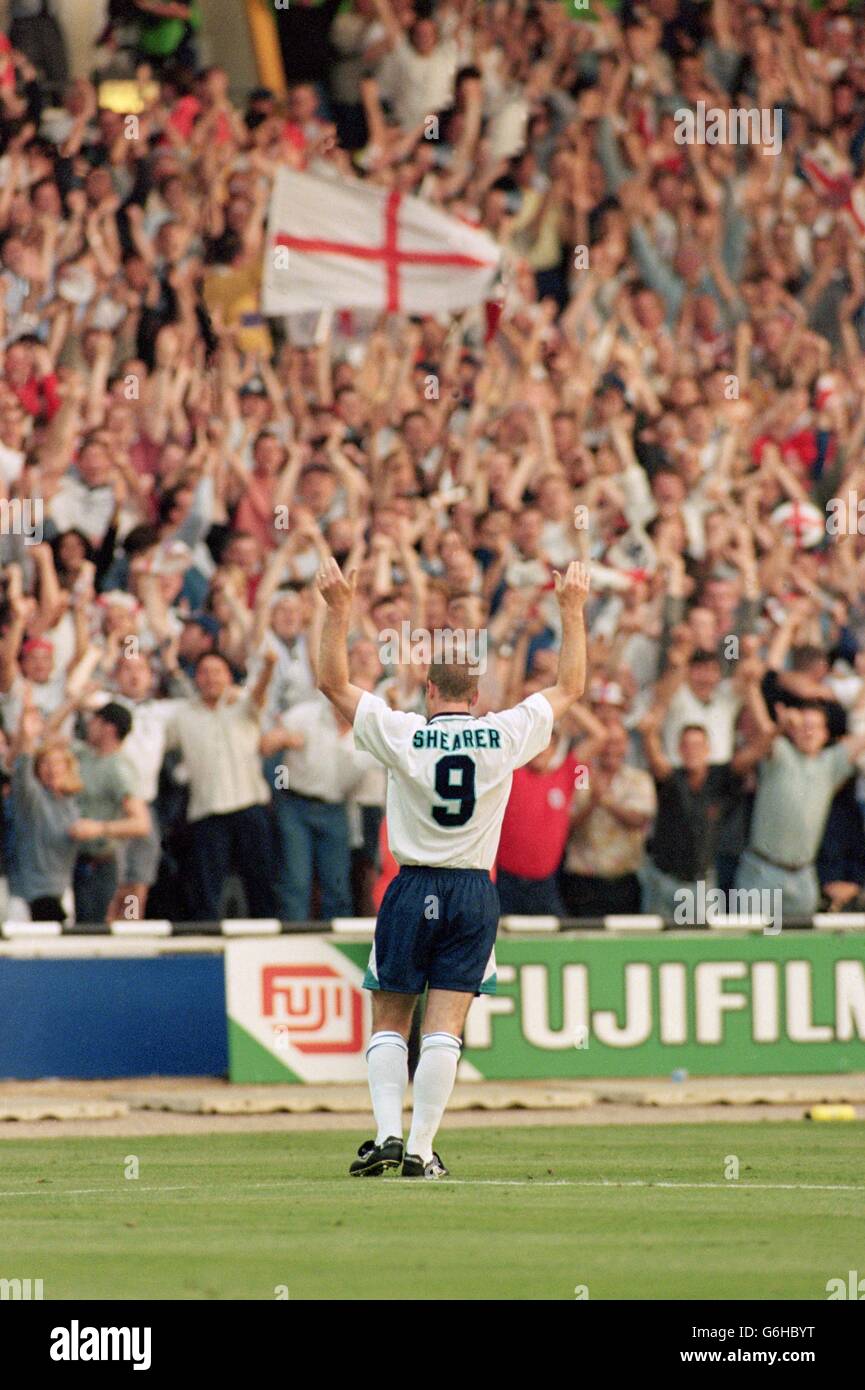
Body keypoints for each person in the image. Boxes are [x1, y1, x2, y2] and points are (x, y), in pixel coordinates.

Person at [316, 554, 590, 1180]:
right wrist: (570, 612)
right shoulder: (503, 733)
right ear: (477, 696)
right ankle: (419, 1149)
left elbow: (333, 682)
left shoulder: (404, 732)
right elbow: (570, 687)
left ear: (429, 691)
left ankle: (385, 1135)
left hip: (411, 886)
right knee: (445, 1024)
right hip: (473, 889)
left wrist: (338, 611)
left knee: (391, 1015)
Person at [164, 650, 277, 920]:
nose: (210, 678)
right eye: (204, 672)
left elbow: (259, 695)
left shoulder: (243, 705)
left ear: (228, 676)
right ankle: (207, 943)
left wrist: (269, 667)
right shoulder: (182, 715)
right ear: (196, 677)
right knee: (206, 886)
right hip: (207, 809)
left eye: (217, 672)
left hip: (249, 803)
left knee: (260, 880)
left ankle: (267, 935)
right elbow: (164, 750)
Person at [71, 703, 151, 924]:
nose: (88, 725)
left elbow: (141, 823)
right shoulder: (84, 755)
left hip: (107, 859)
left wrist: (99, 828)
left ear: (109, 728)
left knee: (122, 910)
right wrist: (72, 701)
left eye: (94, 720)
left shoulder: (119, 768)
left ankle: (132, 948)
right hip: (78, 859)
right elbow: (47, 738)